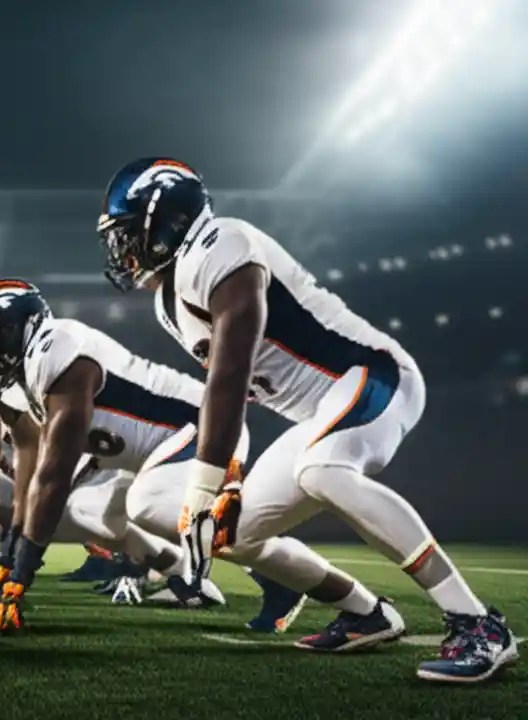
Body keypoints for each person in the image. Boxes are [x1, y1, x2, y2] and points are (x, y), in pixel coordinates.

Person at [98, 157, 516, 682]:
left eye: (131, 234)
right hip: (321, 414)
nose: (124, 251)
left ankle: (477, 623)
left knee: (320, 469)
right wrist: (218, 495)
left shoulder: (220, 245)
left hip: (375, 376)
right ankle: (366, 612)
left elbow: (228, 378)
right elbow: (228, 390)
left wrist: (205, 488)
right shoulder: (170, 298)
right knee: (236, 532)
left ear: (170, 224)